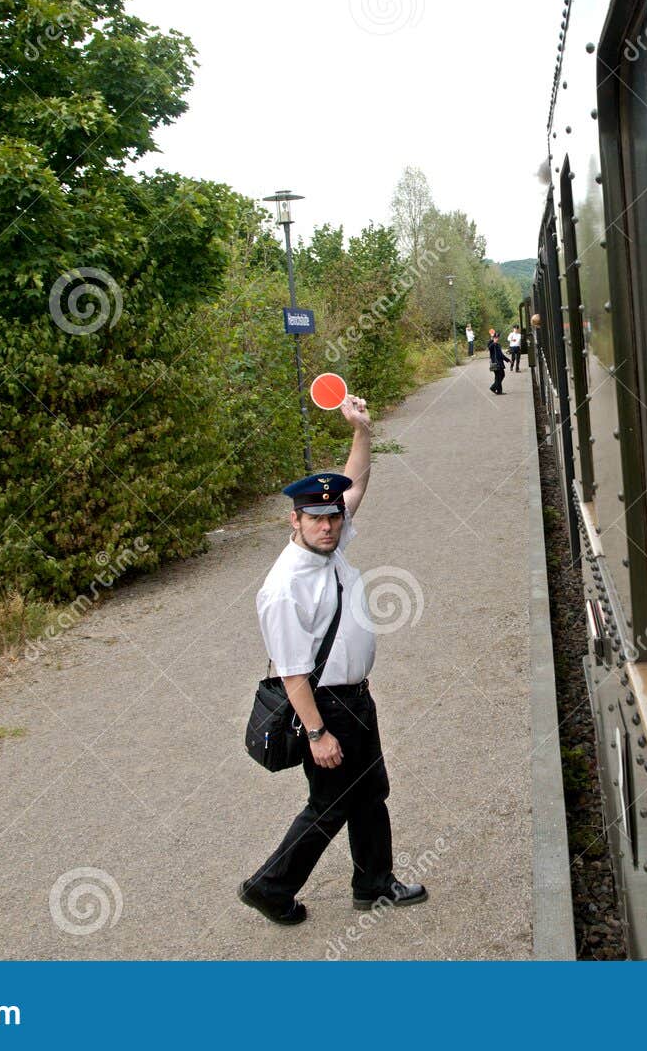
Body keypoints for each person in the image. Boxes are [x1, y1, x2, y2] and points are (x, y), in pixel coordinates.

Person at [239, 393, 428, 925]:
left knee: (371, 794)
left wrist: (362, 431)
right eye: (316, 518)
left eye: (332, 517)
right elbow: (292, 671)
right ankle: (269, 887)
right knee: (330, 804)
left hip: (355, 698)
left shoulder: (332, 548)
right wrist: (318, 733)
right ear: (293, 522)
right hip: (325, 707)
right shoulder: (284, 588)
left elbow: (357, 483)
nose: (328, 525)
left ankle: (373, 883)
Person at [487, 328, 507, 395]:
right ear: (493, 338)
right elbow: (489, 348)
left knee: (500, 376)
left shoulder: (498, 345)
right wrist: (492, 341)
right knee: (499, 376)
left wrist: (508, 360)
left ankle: (498, 390)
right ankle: (494, 388)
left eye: (497, 337)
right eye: (495, 337)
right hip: (495, 363)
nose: (497, 339)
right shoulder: (491, 344)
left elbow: (501, 355)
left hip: (500, 363)